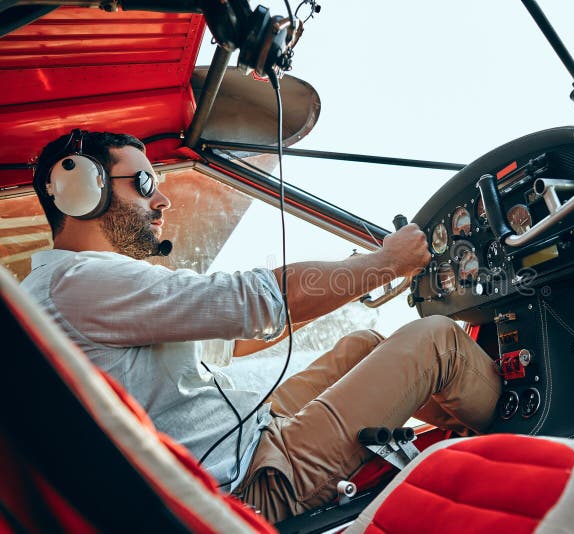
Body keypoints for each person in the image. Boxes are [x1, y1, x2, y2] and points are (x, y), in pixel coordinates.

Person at [21, 130, 501, 523]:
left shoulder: (68, 289)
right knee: (436, 341)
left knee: (362, 344)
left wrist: (350, 280)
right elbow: (258, 298)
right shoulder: (77, 281)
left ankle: (469, 444)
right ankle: (535, 445)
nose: (162, 199)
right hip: (252, 482)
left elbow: (237, 336)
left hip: (246, 440)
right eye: (144, 183)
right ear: (83, 188)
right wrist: (386, 262)